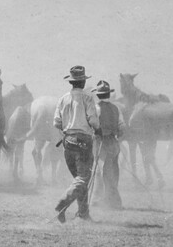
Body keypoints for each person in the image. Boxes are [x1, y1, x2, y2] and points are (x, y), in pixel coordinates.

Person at [53, 65, 100, 222]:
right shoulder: (87, 98)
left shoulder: (63, 99)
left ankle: (83, 213)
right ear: (83, 82)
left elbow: (57, 123)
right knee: (83, 178)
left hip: (68, 143)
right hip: (83, 142)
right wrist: (98, 129)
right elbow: (93, 120)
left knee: (80, 180)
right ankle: (63, 202)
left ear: (71, 82)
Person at [92, 79, 125, 210]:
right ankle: (113, 201)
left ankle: (98, 199)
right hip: (114, 143)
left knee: (100, 171)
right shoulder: (116, 108)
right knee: (114, 171)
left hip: (100, 143)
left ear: (98, 95)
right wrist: (116, 135)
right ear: (109, 95)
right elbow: (122, 127)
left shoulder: (95, 108)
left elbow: (93, 126)